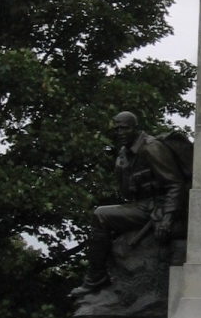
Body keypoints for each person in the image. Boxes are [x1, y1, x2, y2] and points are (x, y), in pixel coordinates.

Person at [78, 111, 189, 294]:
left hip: (156, 207)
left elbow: (175, 185)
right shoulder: (125, 153)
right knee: (103, 216)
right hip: (142, 204)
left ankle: (95, 278)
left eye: (125, 128)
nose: (120, 132)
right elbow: (127, 192)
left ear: (135, 128)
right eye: (117, 129)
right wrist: (121, 169)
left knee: (101, 215)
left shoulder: (151, 148)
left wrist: (168, 219)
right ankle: (98, 277)